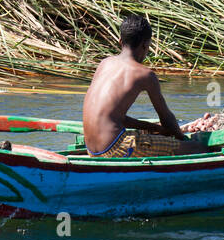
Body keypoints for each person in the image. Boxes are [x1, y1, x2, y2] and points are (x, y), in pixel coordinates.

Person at [82, 15, 205, 158]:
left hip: (91, 150)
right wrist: (182, 139)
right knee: (197, 148)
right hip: (115, 148)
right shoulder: (144, 74)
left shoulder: (104, 63)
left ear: (120, 41)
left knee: (155, 132)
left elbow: (114, 117)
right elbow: (166, 118)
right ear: (145, 46)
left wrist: (155, 128)